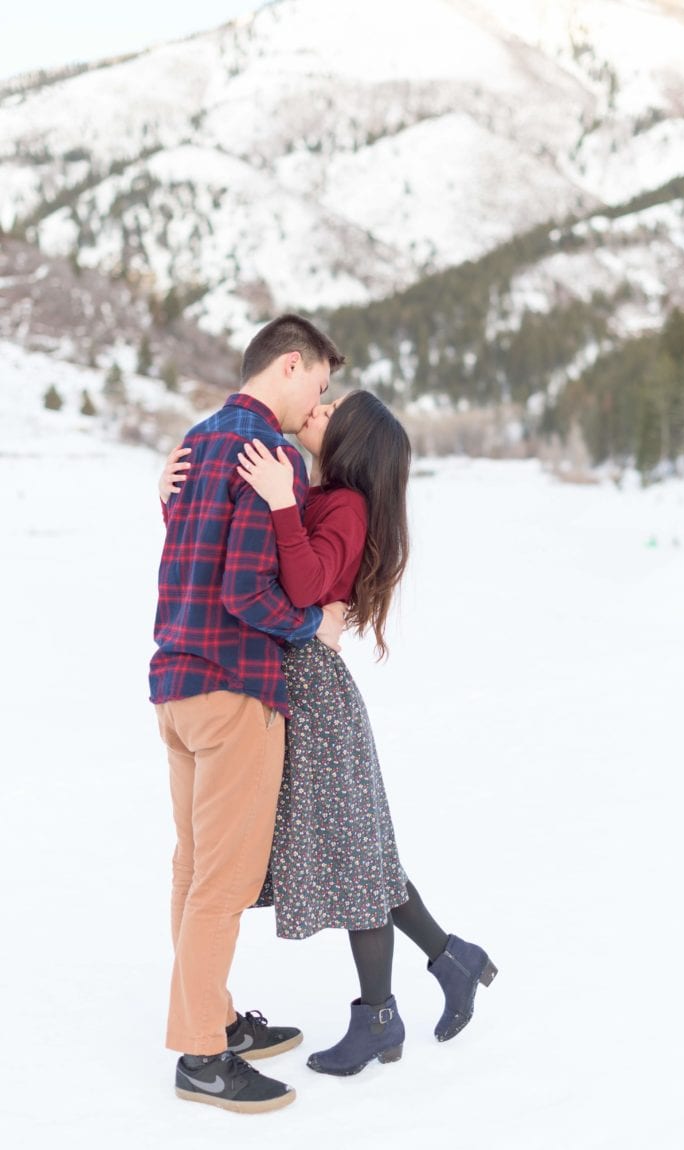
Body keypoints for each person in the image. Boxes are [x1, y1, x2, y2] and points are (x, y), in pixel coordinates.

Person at [161, 388, 497, 1079]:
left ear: (350, 439)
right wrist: (170, 494)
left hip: (313, 692)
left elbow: (308, 579)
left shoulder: (341, 503)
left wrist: (284, 502)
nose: (316, 410)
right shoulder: (318, 491)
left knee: (355, 852)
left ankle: (383, 1014)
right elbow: (239, 546)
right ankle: (448, 960)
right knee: (358, 848)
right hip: (293, 685)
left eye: (330, 408)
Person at [149, 314, 348, 1113]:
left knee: (194, 873)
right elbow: (245, 590)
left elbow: (187, 550)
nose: (318, 406)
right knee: (221, 885)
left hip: (176, 688)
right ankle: (202, 1057)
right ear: (291, 365)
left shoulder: (197, 442)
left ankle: (217, 1019)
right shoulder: (276, 461)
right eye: (321, 388)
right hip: (234, 691)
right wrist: (315, 628)